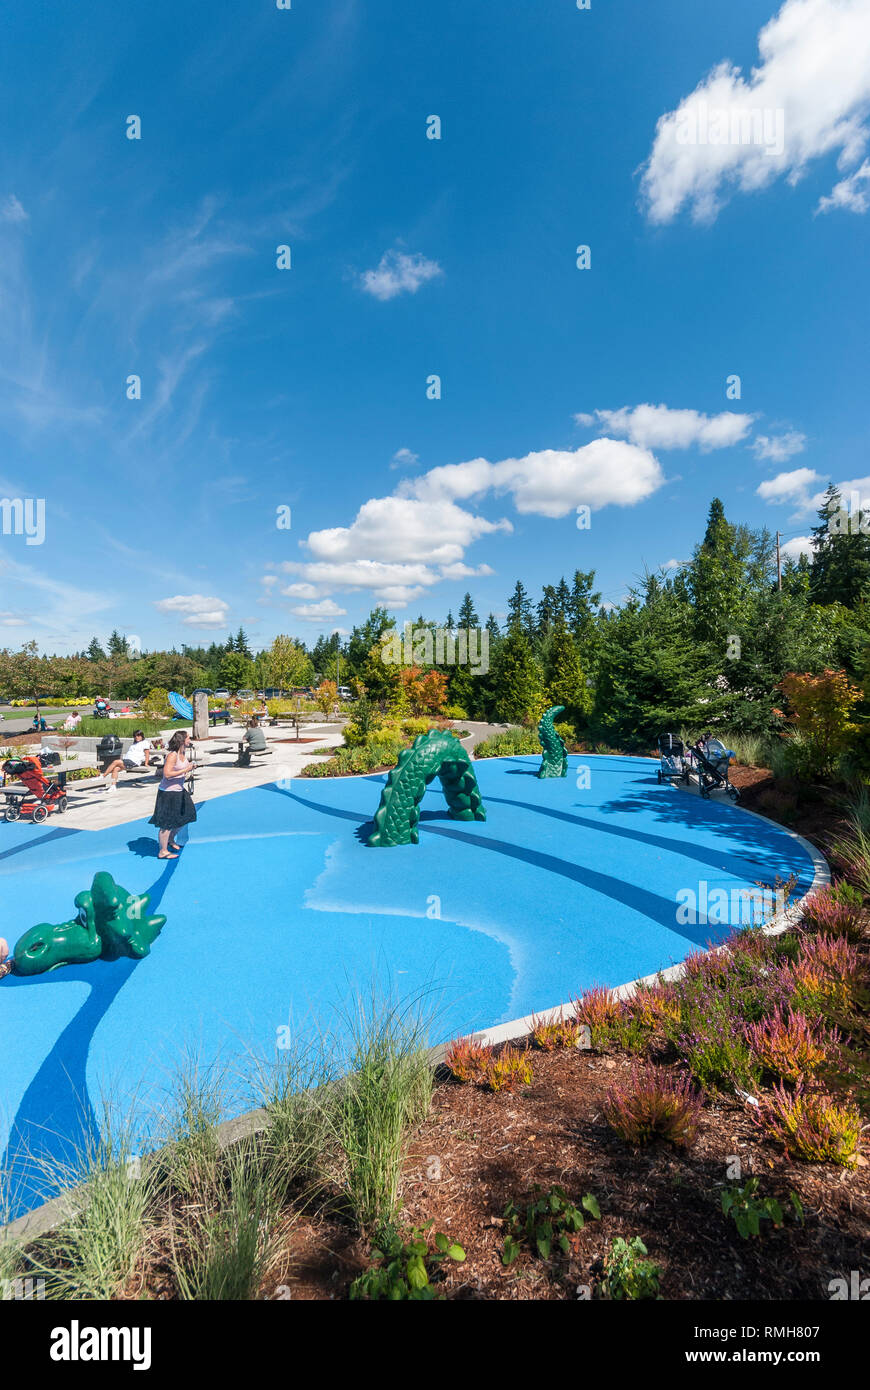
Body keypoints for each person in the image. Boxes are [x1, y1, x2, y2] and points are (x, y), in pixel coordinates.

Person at [149, 730, 196, 859]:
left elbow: (180, 770)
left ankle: (170, 838)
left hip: (179, 790)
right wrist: (185, 769)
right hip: (168, 793)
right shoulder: (172, 755)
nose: (190, 740)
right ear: (182, 740)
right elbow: (167, 774)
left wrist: (190, 768)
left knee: (188, 815)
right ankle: (162, 851)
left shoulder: (183, 753)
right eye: (188, 738)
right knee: (167, 823)